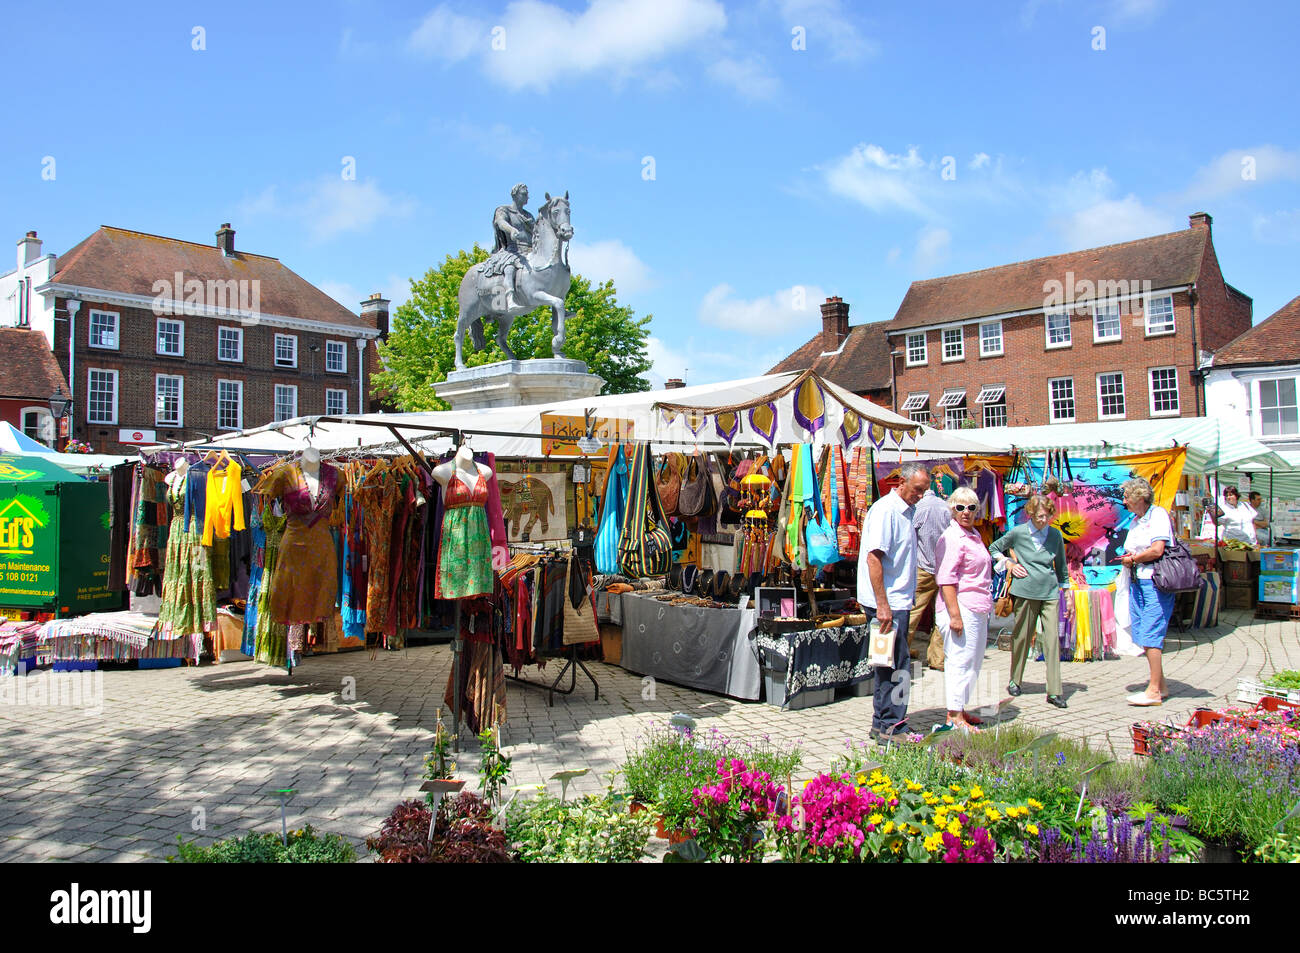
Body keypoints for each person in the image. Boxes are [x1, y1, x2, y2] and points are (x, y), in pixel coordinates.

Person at [857, 461, 930, 744]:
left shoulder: (904, 512)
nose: (920, 496)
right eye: (917, 490)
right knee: (896, 665)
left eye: (924, 491)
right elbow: (874, 558)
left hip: (895, 600)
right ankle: (892, 725)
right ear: (902, 482)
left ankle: (883, 723)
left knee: (888, 663)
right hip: (888, 603)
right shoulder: (887, 511)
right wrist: (883, 604)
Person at [989, 494, 1071, 709]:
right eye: (1040, 516)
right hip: (1024, 591)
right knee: (1022, 636)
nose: (1044, 520)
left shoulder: (1055, 535)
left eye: (1047, 516)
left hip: (1050, 592)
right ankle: (1015, 679)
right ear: (1031, 514)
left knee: (1052, 640)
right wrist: (1008, 563)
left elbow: (1061, 567)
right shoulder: (1018, 532)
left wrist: (1068, 595)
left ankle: (1055, 691)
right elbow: (994, 548)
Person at [933, 487, 992, 731]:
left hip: (978, 605)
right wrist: (955, 616)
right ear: (952, 510)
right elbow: (946, 579)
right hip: (961, 606)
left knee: (973, 660)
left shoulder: (973, 535)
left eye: (970, 508)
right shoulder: (952, 537)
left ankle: (961, 708)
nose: (965, 512)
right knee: (960, 660)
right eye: (960, 507)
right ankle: (954, 714)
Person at [1120, 477, 1175, 706]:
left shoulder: (1158, 515)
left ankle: (1153, 692)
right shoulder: (1135, 520)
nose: (1124, 501)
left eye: (1127, 497)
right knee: (1143, 631)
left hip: (1154, 580)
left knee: (1152, 634)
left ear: (1139, 497)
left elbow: (1157, 549)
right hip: (1138, 580)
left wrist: (1133, 558)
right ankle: (1161, 685)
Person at [908, 487, 953, 670]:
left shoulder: (919, 508)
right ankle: (937, 659)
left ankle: (900, 651)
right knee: (942, 616)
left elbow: (910, 537)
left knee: (912, 613)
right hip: (944, 569)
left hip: (923, 568)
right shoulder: (947, 508)